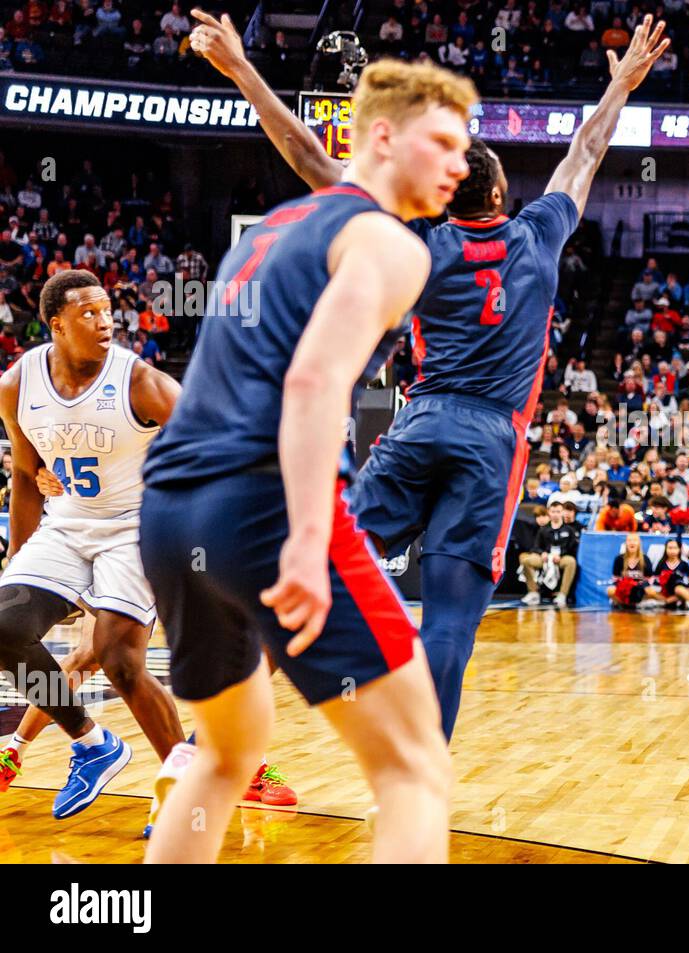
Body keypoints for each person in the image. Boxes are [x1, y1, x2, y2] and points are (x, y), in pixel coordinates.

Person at [190, 9, 669, 740]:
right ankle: (419, 778)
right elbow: (588, 146)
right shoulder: (540, 235)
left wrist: (242, 71)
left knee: (314, 561)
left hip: (420, 420)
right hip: (491, 438)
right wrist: (623, 83)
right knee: (448, 623)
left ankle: (215, 729)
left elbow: (312, 159)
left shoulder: (415, 239)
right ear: (505, 195)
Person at [137, 58, 475, 864]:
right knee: (414, 767)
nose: (461, 164)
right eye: (444, 142)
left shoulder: (276, 227)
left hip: (171, 511)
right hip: (263, 503)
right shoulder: (391, 245)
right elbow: (315, 378)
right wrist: (305, 538)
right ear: (383, 135)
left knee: (226, 753)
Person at [0, 270, 183, 821]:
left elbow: (213, 446)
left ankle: (183, 788)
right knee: (5, 626)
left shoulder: (141, 382)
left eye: (107, 311)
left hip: (136, 528)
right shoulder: (17, 383)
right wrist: (18, 566)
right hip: (68, 524)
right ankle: (91, 743)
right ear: (56, 324)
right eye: (88, 313)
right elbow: (28, 477)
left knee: (118, 658)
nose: (106, 321)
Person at [520, 499, 580, 607]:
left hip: (561, 558)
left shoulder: (569, 530)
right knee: (526, 561)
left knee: (571, 561)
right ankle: (533, 592)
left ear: (562, 512)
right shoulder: (543, 530)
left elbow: (572, 548)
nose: (555, 514)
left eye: (558, 511)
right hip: (546, 558)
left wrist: (561, 555)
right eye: (553, 511)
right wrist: (542, 553)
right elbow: (536, 547)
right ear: (549, 512)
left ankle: (562, 595)